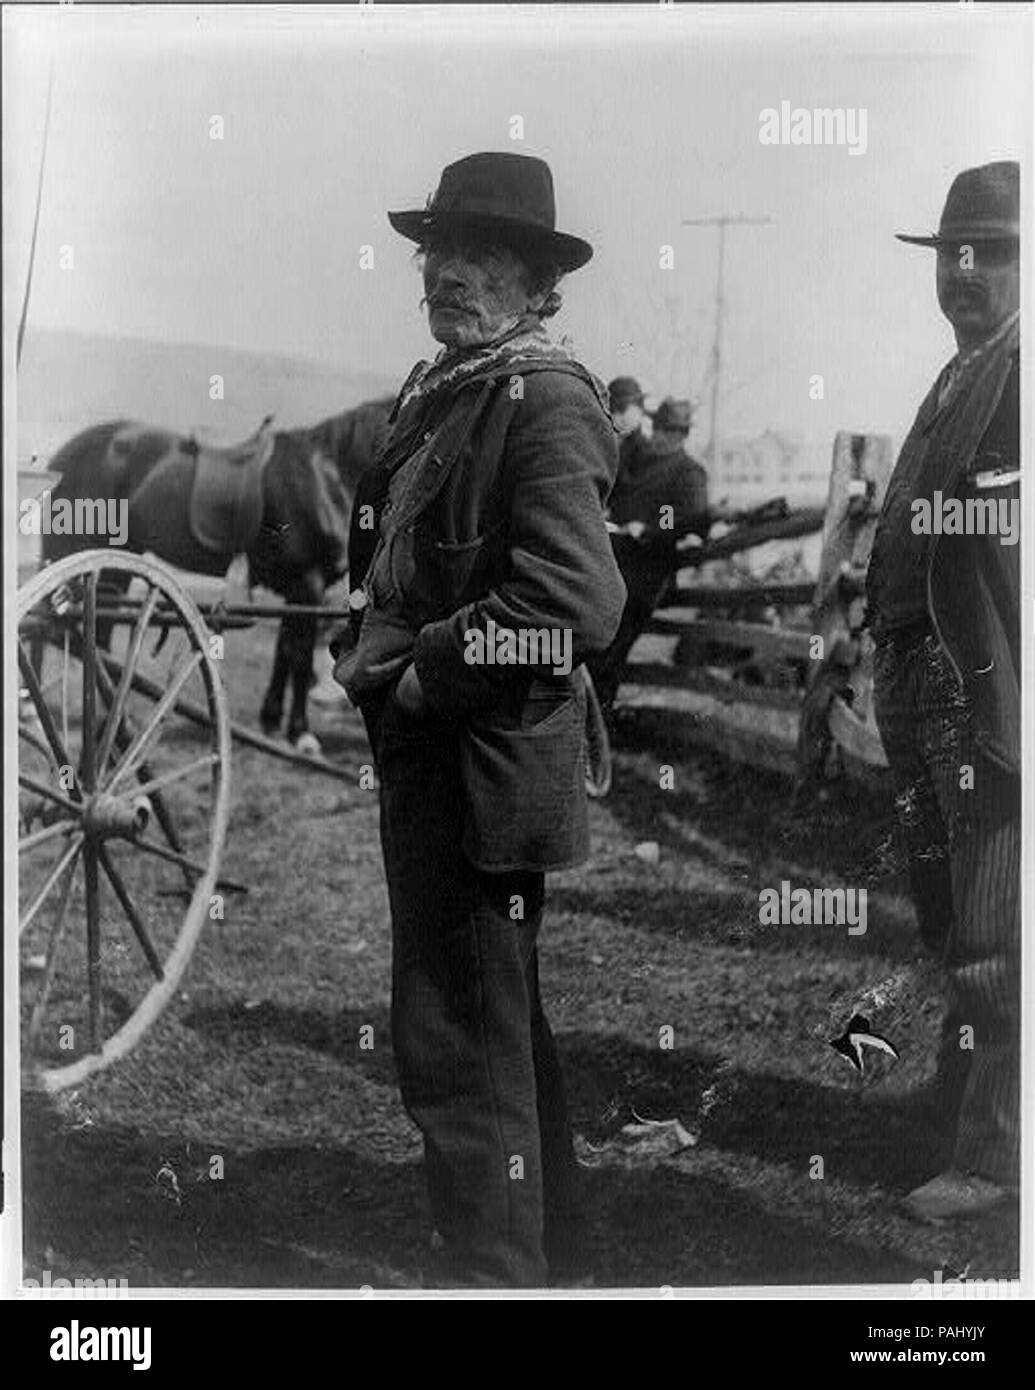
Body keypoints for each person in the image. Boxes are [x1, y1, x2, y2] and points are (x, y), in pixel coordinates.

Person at [329, 152, 626, 1285]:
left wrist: (421, 677)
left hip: (481, 765)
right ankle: (544, 1246)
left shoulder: (543, 397)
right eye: (438, 250)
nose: (450, 272)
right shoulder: (450, 387)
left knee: (459, 1029)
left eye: (484, 253)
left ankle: (489, 1270)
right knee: (493, 1015)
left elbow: (572, 600)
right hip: (445, 762)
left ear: (540, 280)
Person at [866, 161, 1020, 1221]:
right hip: (918, 687)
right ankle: (960, 1104)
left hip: (986, 695)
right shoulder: (961, 373)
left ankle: (997, 1159)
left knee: (998, 934)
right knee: (947, 914)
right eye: (952, 255)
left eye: (994, 254)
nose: (964, 274)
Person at [586, 396, 712, 715]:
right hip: (613, 561)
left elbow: (691, 517)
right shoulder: (640, 462)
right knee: (586, 642)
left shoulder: (689, 472)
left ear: (681, 435)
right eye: (657, 427)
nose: (658, 435)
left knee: (607, 651)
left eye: (668, 431)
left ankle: (597, 727)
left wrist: (651, 527)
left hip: (645, 573)